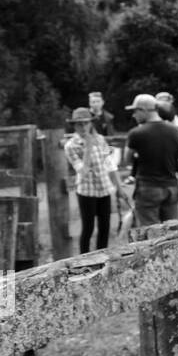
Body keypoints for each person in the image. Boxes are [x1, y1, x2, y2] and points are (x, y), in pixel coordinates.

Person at [64, 106, 128, 253]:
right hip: (87, 191)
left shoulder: (100, 139)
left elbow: (110, 165)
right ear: (74, 125)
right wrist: (87, 147)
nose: (83, 127)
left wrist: (119, 188)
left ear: (90, 123)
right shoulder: (71, 146)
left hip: (104, 188)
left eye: (86, 123)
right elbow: (83, 171)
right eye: (79, 124)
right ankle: (83, 260)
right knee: (88, 227)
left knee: (105, 226)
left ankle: (101, 257)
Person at [124, 93, 178, 233]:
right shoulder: (174, 131)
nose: (134, 115)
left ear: (144, 110)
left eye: (135, 111)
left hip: (148, 188)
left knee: (151, 232)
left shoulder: (136, 133)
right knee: (173, 231)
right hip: (171, 187)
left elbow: (127, 159)